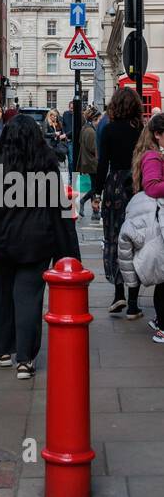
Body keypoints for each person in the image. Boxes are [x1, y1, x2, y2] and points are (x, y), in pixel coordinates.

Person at [0, 115, 80, 379]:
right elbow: (62, 208)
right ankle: (25, 359)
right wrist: (67, 245)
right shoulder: (46, 164)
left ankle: (1, 351)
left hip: (2, 240)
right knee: (30, 299)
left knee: (3, 296)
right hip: (37, 241)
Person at [94, 86, 144, 318]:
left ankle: (118, 293)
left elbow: (102, 164)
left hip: (114, 187)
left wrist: (95, 193)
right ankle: (133, 303)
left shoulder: (109, 130)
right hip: (135, 186)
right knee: (135, 242)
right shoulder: (141, 130)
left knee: (114, 240)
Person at [119, 111, 164, 339]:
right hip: (156, 224)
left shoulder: (154, 153)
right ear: (158, 134)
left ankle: (159, 320)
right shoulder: (153, 157)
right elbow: (154, 187)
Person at [76, 106, 100, 216]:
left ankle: (95, 211)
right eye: (99, 119)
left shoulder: (85, 128)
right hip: (92, 163)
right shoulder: (91, 132)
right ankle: (83, 201)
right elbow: (93, 148)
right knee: (97, 187)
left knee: (94, 187)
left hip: (88, 162)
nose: (99, 122)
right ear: (94, 119)